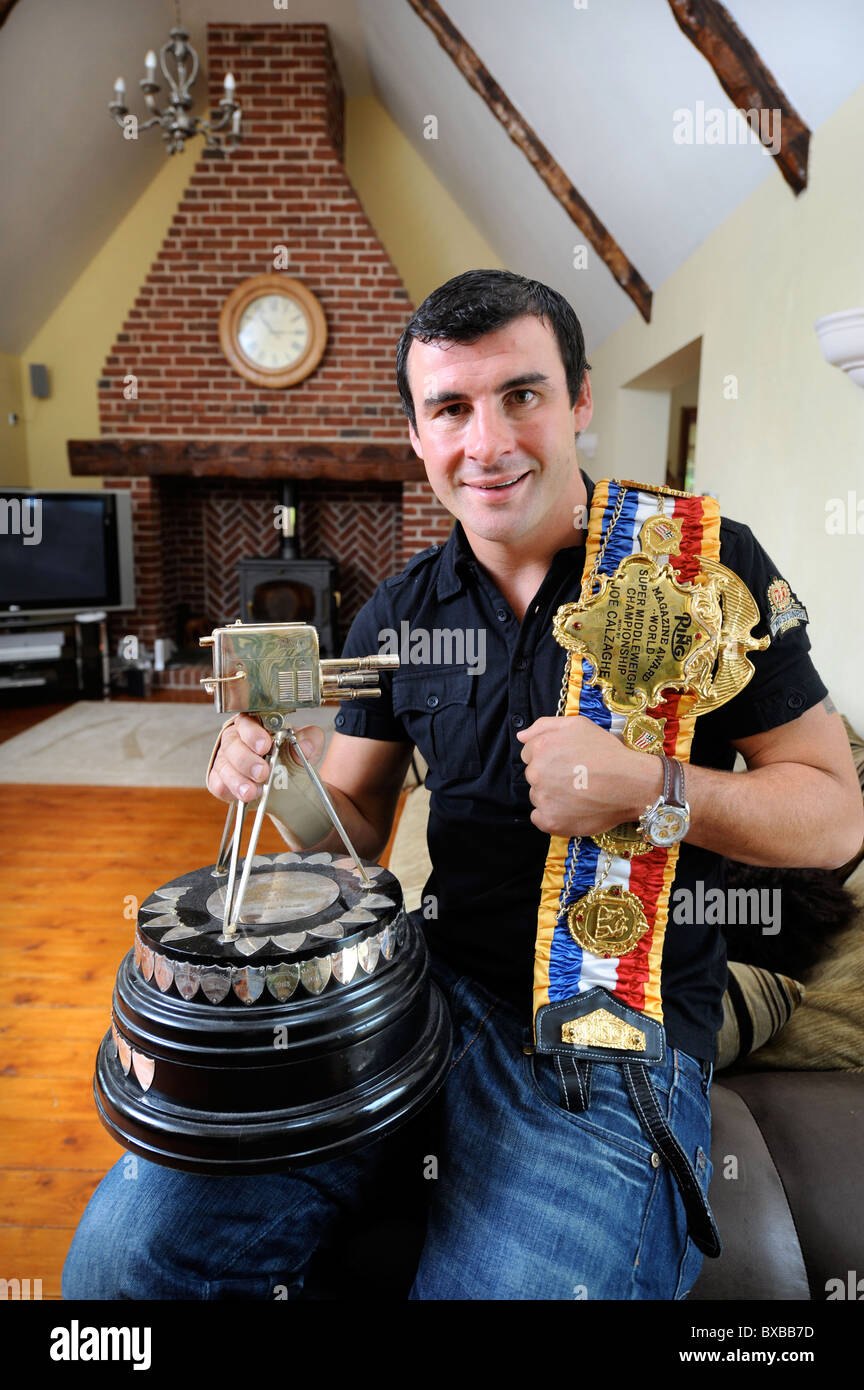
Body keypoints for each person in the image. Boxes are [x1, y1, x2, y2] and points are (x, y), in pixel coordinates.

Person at [64, 269, 862, 1301]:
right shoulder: (398, 609)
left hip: (604, 1027)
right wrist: (272, 771)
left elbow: (833, 813)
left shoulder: (704, 567)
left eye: (520, 395)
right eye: (450, 407)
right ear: (416, 432)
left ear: (579, 399)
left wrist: (652, 784)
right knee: (124, 1262)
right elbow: (347, 821)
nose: (486, 443)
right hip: (416, 994)